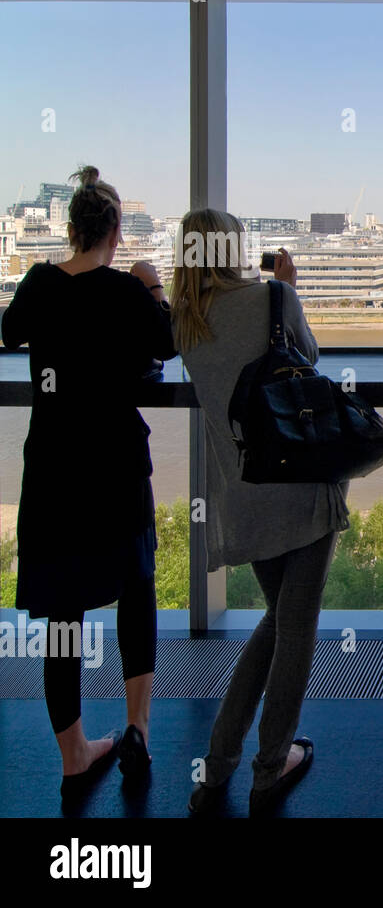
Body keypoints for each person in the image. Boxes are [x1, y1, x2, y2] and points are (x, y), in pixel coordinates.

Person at [1, 166, 175, 799]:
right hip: (115, 465)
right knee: (136, 588)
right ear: (117, 232)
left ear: (71, 229)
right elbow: (171, 338)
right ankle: (137, 726)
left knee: (62, 613)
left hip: (52, 470)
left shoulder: (42, 284)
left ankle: (75, 753)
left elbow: (9, 330)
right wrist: (150, 284)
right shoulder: (126, 293)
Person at [179, 210, 349, 817]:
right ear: (233, 248)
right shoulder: (274, 298)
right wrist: (290, 288)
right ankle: (269, 769)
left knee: (278, 619)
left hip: (244, 495)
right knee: (295, 630)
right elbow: (309, 359)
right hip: (300, 488)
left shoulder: (185, 321)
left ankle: (219, 763)